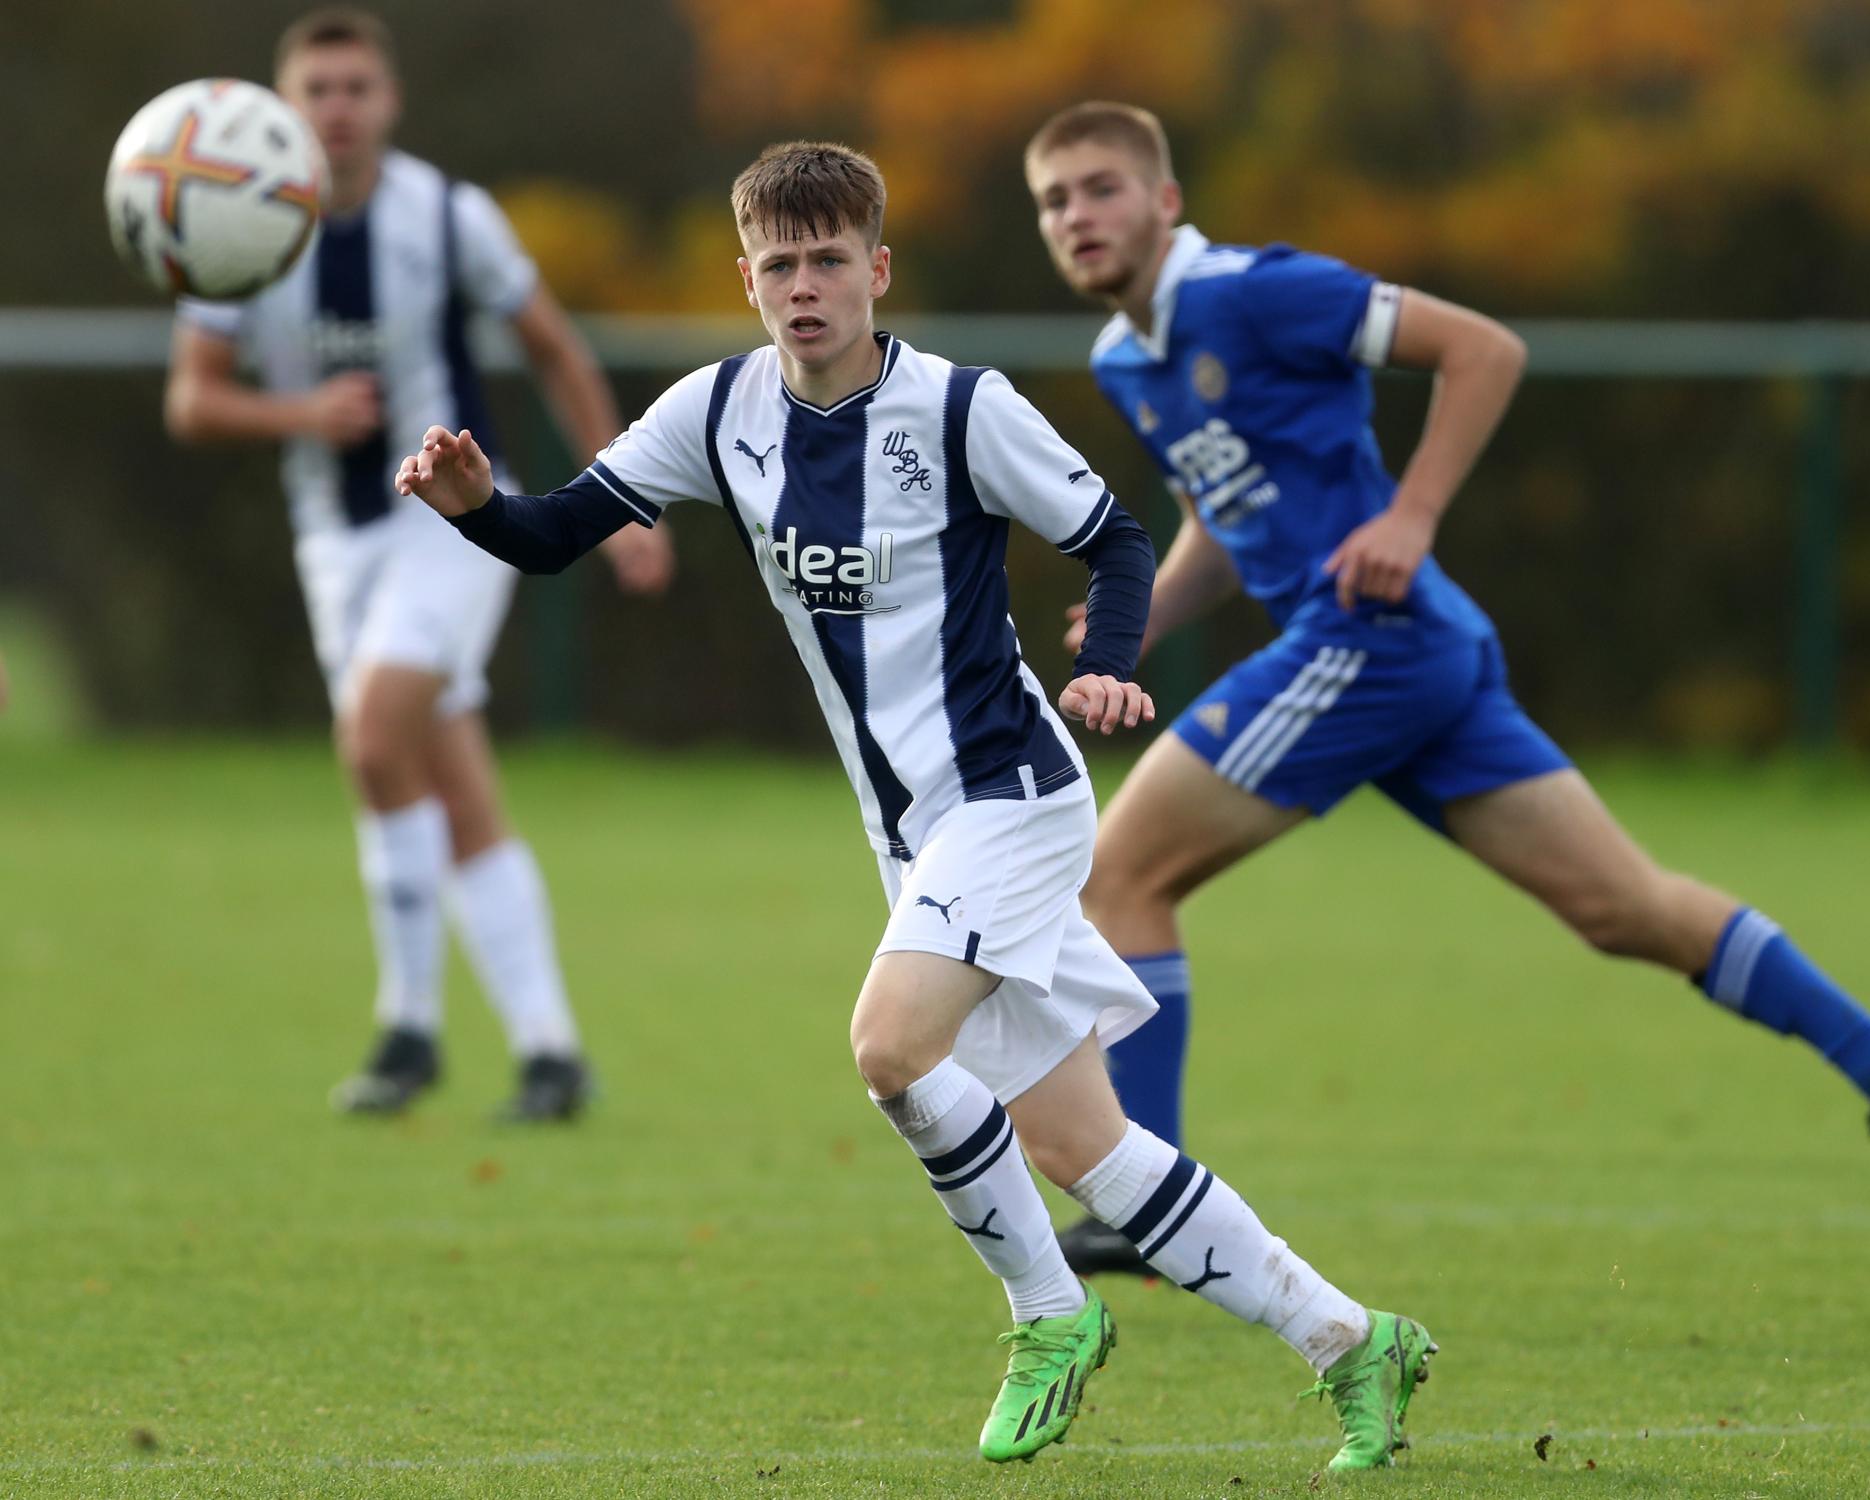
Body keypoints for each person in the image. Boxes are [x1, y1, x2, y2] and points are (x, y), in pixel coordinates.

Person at [399, 139, 1438, 1474]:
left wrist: (1110, 663)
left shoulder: (958, 408)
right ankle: (1356, 1344)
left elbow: (1117, 539)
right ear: (748, 278)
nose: (806, 285)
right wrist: (478, 506)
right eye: (780, 264)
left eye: (831, 259)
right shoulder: (715, 414)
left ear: (877, 270)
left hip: (1010, 793)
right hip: (913, 835)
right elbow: (553, 535)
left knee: (890, 1048)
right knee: (1083, 1143)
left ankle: (1049, 1316)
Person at [1022, 101, 1870, 1272]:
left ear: (1163, 200)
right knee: (1622, 908)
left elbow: (1484, 348)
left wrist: (1411, 517)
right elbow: (1218, 518)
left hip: (1365, 639)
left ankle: (1142, 1200)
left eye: (1100, 188)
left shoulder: (1249, 292)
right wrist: (1148, 610)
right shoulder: (1125, 359)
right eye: (1054, 200)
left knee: (1122, 873)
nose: (1076, 216)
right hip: (1415, 652)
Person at [164, 7, 672, 1119]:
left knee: (372, 736)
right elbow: (192, 399)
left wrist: (622, 504)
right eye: (317, 90)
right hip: (332, 539)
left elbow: (554, 349)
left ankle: (408, 1028)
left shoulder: (447, 217)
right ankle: (550, 1050)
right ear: (281, 108)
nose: (337, 110)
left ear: (388, 102)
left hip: (449, 524)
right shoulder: (237, 223)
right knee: (452, 788)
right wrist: (299, 410)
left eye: (355, 88)